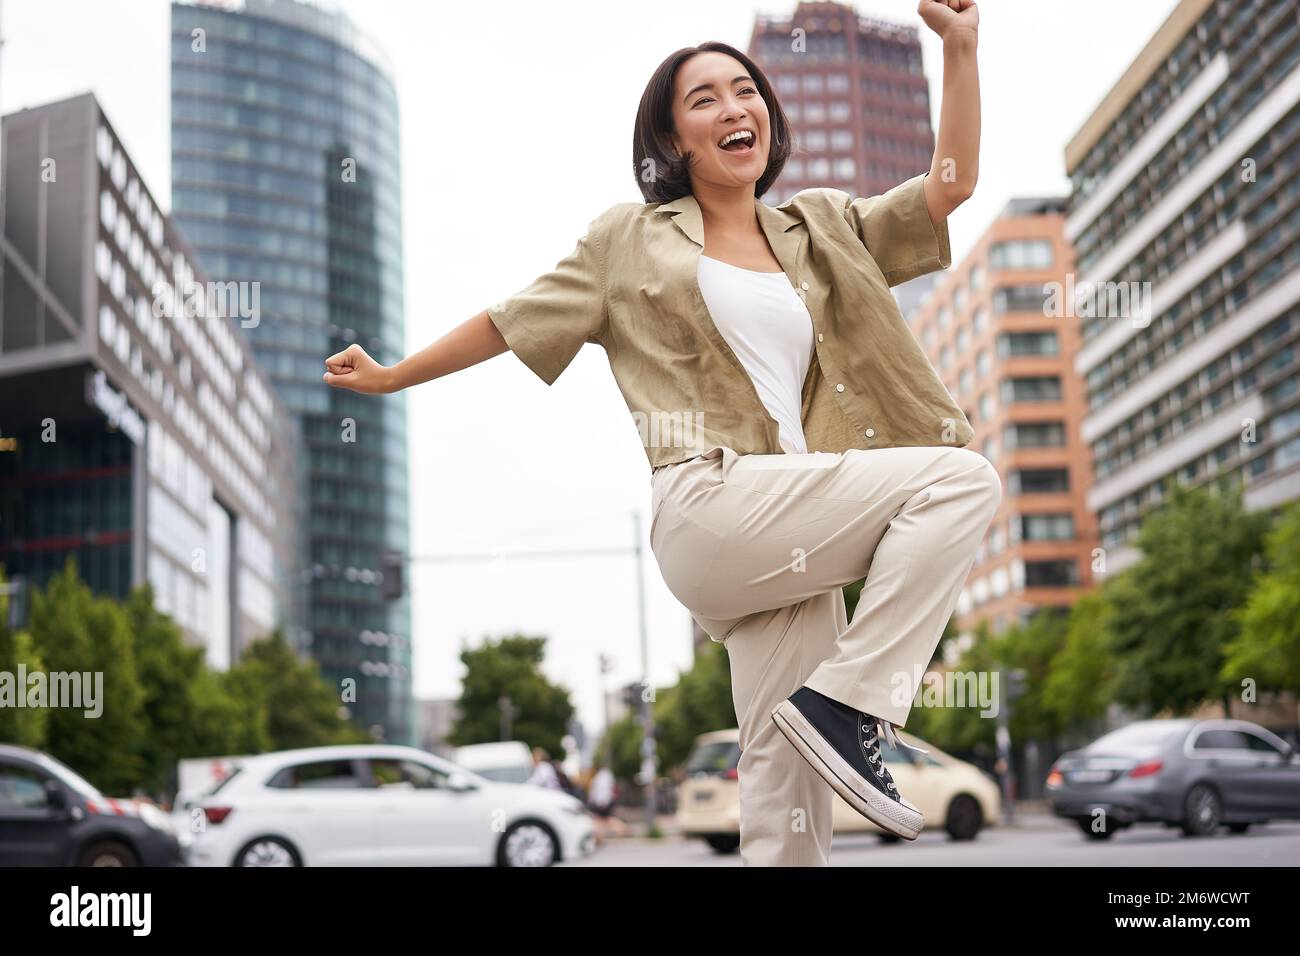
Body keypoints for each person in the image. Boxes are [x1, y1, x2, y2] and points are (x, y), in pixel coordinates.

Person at [323, 0, 992, 867]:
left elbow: (950, 185)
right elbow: (508, 320)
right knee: (960, 478)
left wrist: (963, 51)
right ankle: (857, 703)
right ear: (675, 140)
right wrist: (392, 374)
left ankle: (834, 713)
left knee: (786, 800)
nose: (733, 108)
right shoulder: (628, 241)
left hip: (798, 529)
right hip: (710, 503)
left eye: (744, 90)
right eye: (704, 99)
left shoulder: (824, 229)